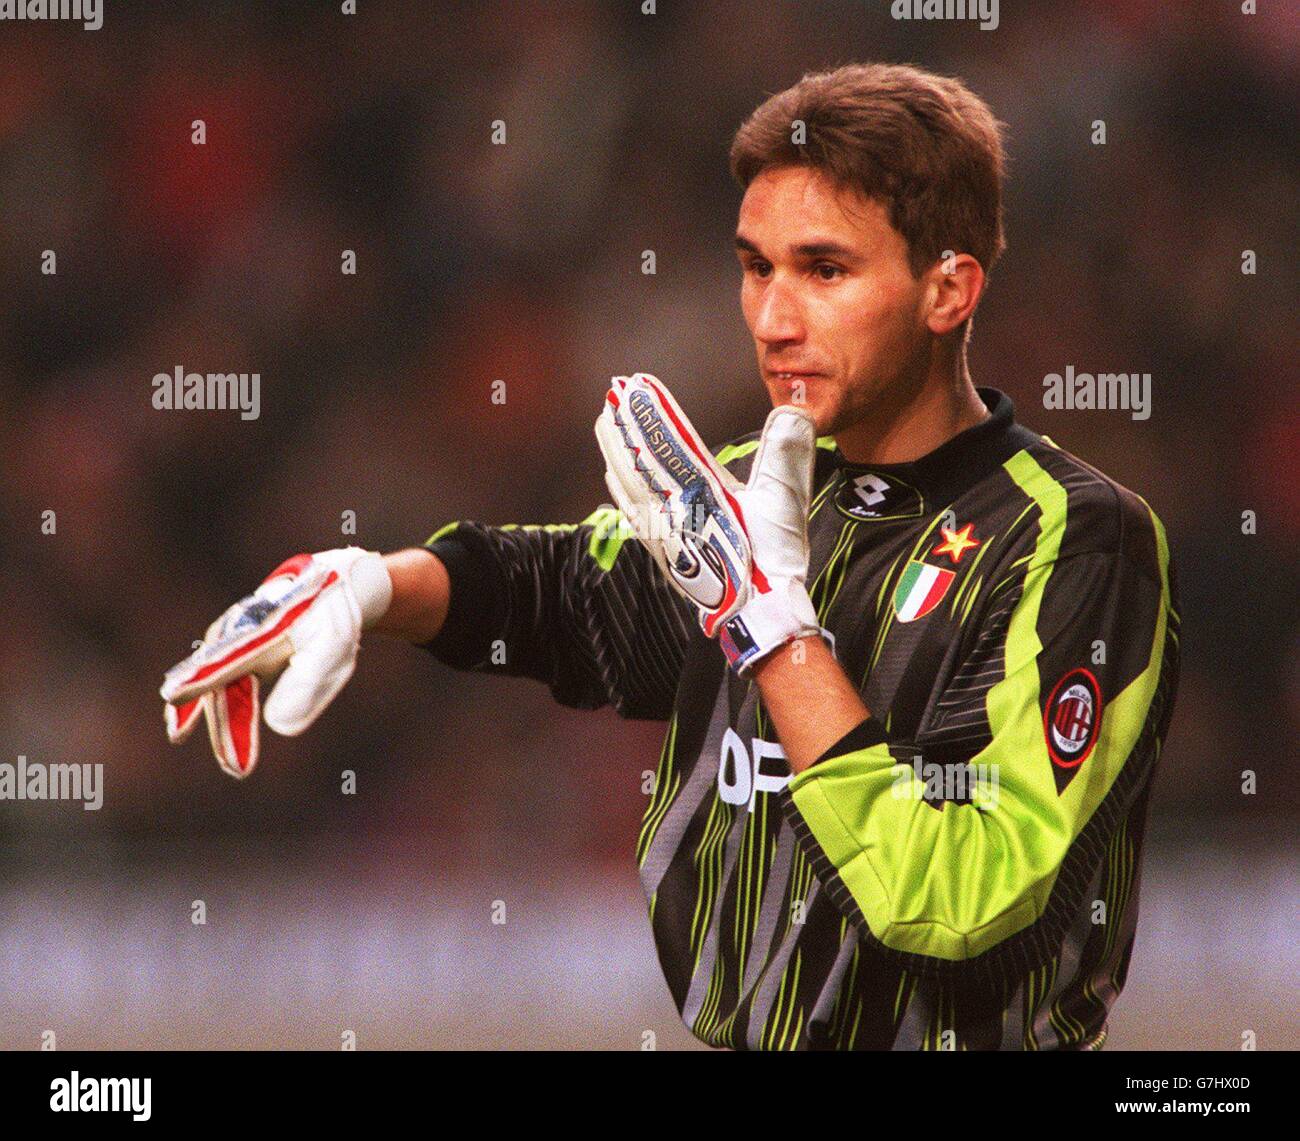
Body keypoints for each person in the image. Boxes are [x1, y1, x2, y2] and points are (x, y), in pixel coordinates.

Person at [162, 62, 1180, 1050]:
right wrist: (376, 584)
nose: (775, 319)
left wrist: (768, 626)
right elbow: (561, 592)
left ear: (947, 288)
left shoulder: (1076, 539)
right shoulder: (752, 488)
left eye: (824, 269)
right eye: (755, 267)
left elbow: (967, 910)